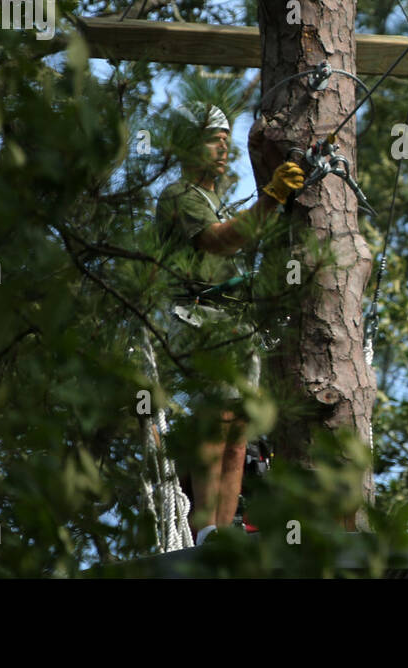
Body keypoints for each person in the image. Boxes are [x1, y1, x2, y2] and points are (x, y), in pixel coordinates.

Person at [155, 101, 303, 543]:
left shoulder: (215, 201)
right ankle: (204, 530)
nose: (222, 149)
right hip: (197, 317)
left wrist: (269, 163)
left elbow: (246, 227)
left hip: (232, 325)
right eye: (211, 140)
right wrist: (272, 196)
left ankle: (223, 529)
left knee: (239, 431)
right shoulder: (179, 195)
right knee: (215, 422)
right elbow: (219, 242)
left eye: (225, 141)